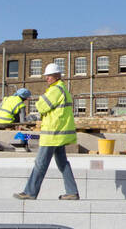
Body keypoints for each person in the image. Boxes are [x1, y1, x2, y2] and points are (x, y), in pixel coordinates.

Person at [14, 64, 80, 200]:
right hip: (58, 133)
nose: (47, 78)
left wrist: (40, 101)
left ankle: (30, 192)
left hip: (52, 133)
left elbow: (41, 106)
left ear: (57, 76)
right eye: (47, 76)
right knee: (63, 163)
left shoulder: (55, 90)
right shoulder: (62, 89)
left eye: (49, 76)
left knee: (40, 163)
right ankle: (72, 192)